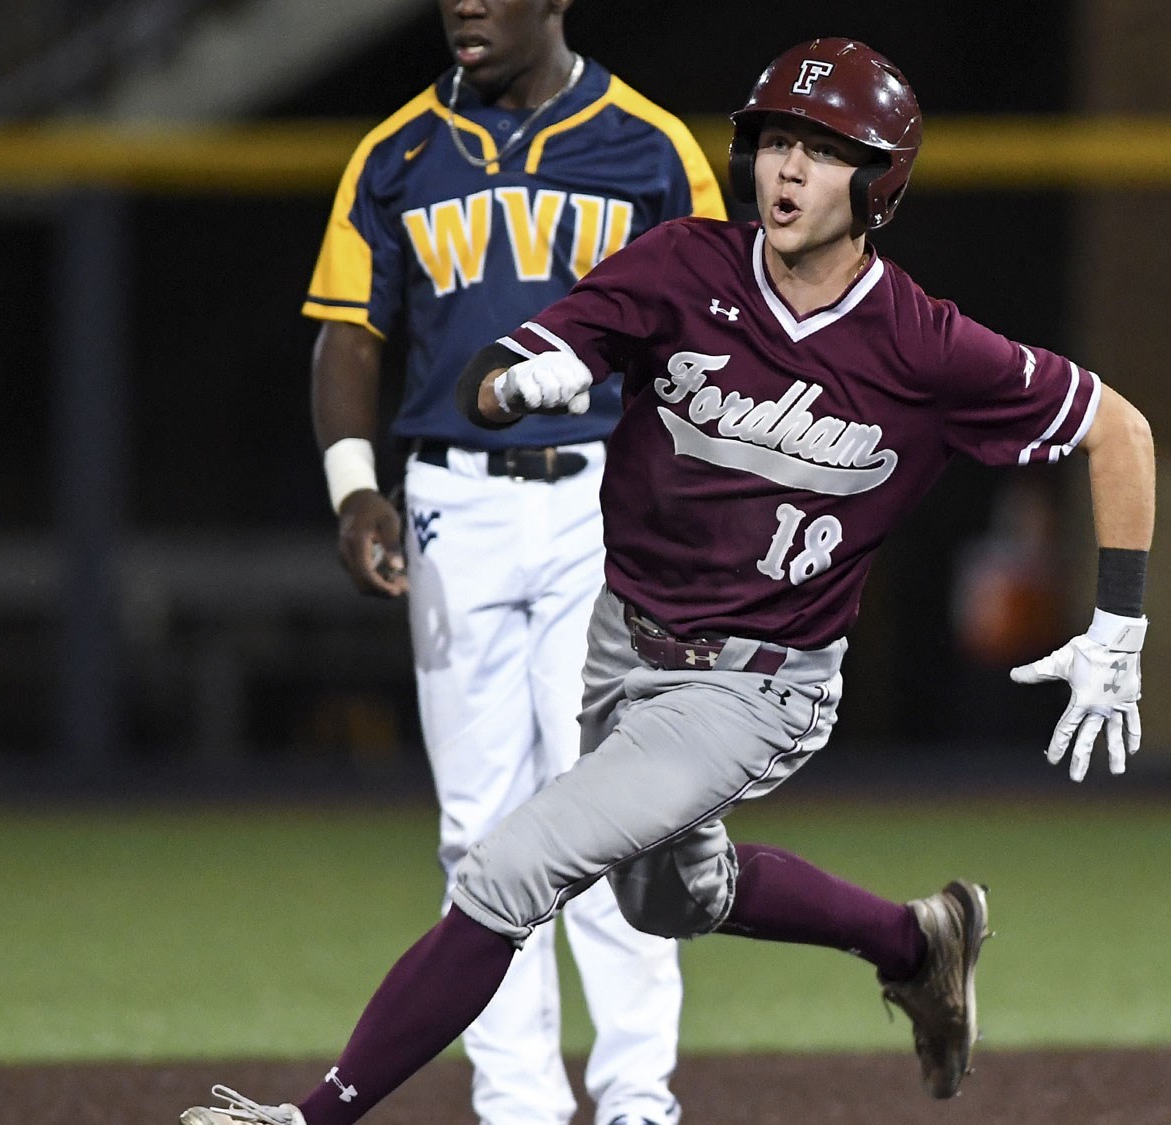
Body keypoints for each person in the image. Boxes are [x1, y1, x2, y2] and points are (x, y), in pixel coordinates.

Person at [184, 37, 1155, 1125]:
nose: (785, 172)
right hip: (623, 641)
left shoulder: (921, 345)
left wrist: (1117, 621)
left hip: (756, 686)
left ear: (878, 180)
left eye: (823, 152)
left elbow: (1118, 429)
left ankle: (310, 1117)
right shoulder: (683, 265)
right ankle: (914, 938)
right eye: (774, 143)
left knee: (508, 868)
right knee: (666, 897)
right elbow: (486, 375)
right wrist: (525, 378)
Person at [297, 1, 724, 1123]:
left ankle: (637, 1100)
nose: (467, 6)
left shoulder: (650, 146)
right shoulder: (396, 152)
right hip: (453, 504)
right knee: (478, 831)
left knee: (614, 814)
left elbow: (726, 335)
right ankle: (515, 1104)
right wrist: (354, 493)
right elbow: (347, 331)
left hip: (606, 503)